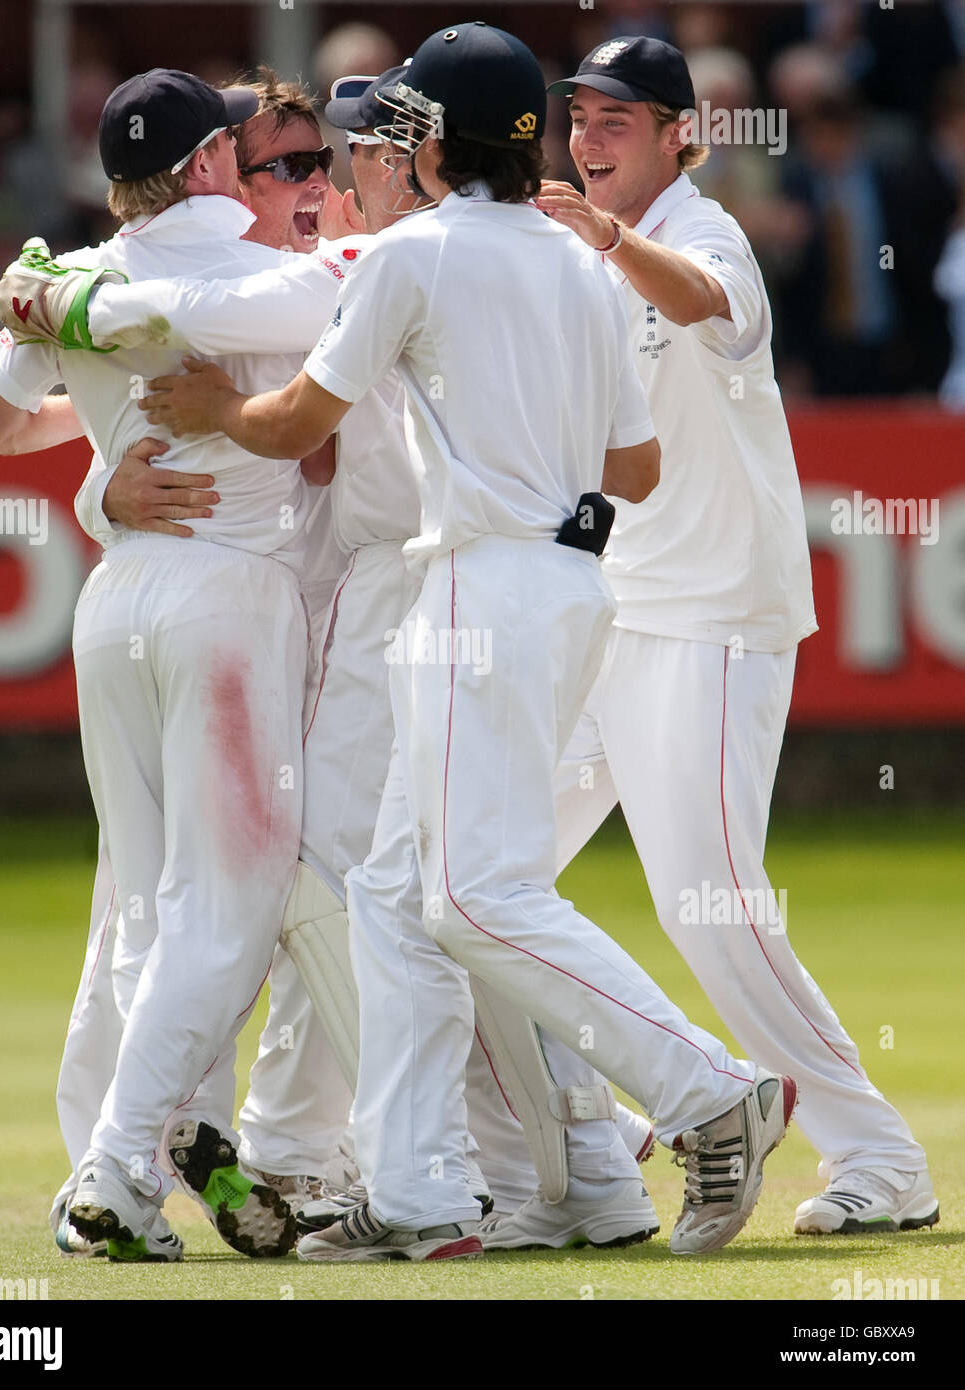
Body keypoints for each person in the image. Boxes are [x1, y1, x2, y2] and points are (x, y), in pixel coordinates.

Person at [136, 21, 796, 1263]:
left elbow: (290, 426)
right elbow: (638, 468)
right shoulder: (569, 257)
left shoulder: (414, 256)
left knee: (473, 896)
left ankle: (711, 1087)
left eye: (398, 126)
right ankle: (475, 1188)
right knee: (394, 896)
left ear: (435, 141)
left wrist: (218, 403)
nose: (383, 146)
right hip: (566, 587)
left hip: (474, 590)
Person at [510, 34, 938, 1238]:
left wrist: (602, 240)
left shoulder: (706, 237)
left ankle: (878, 1157)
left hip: (714, 616)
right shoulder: (575, 258)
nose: (587, 141)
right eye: (577, 121)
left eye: (616, 122)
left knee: (708, 900)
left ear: (679, 137)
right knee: (483, 881)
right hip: (607, 608)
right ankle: (639, 1126)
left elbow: (709, 310)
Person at [0, 67, 329, 1261]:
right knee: (226, 906)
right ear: (214, 163)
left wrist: (100, 420)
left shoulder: (87, 269)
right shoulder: (265, 274)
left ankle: (161, 1150)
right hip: (227, 593)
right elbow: (325, 314)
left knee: (143, 902)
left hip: (116, 601)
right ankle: (119, 1178)